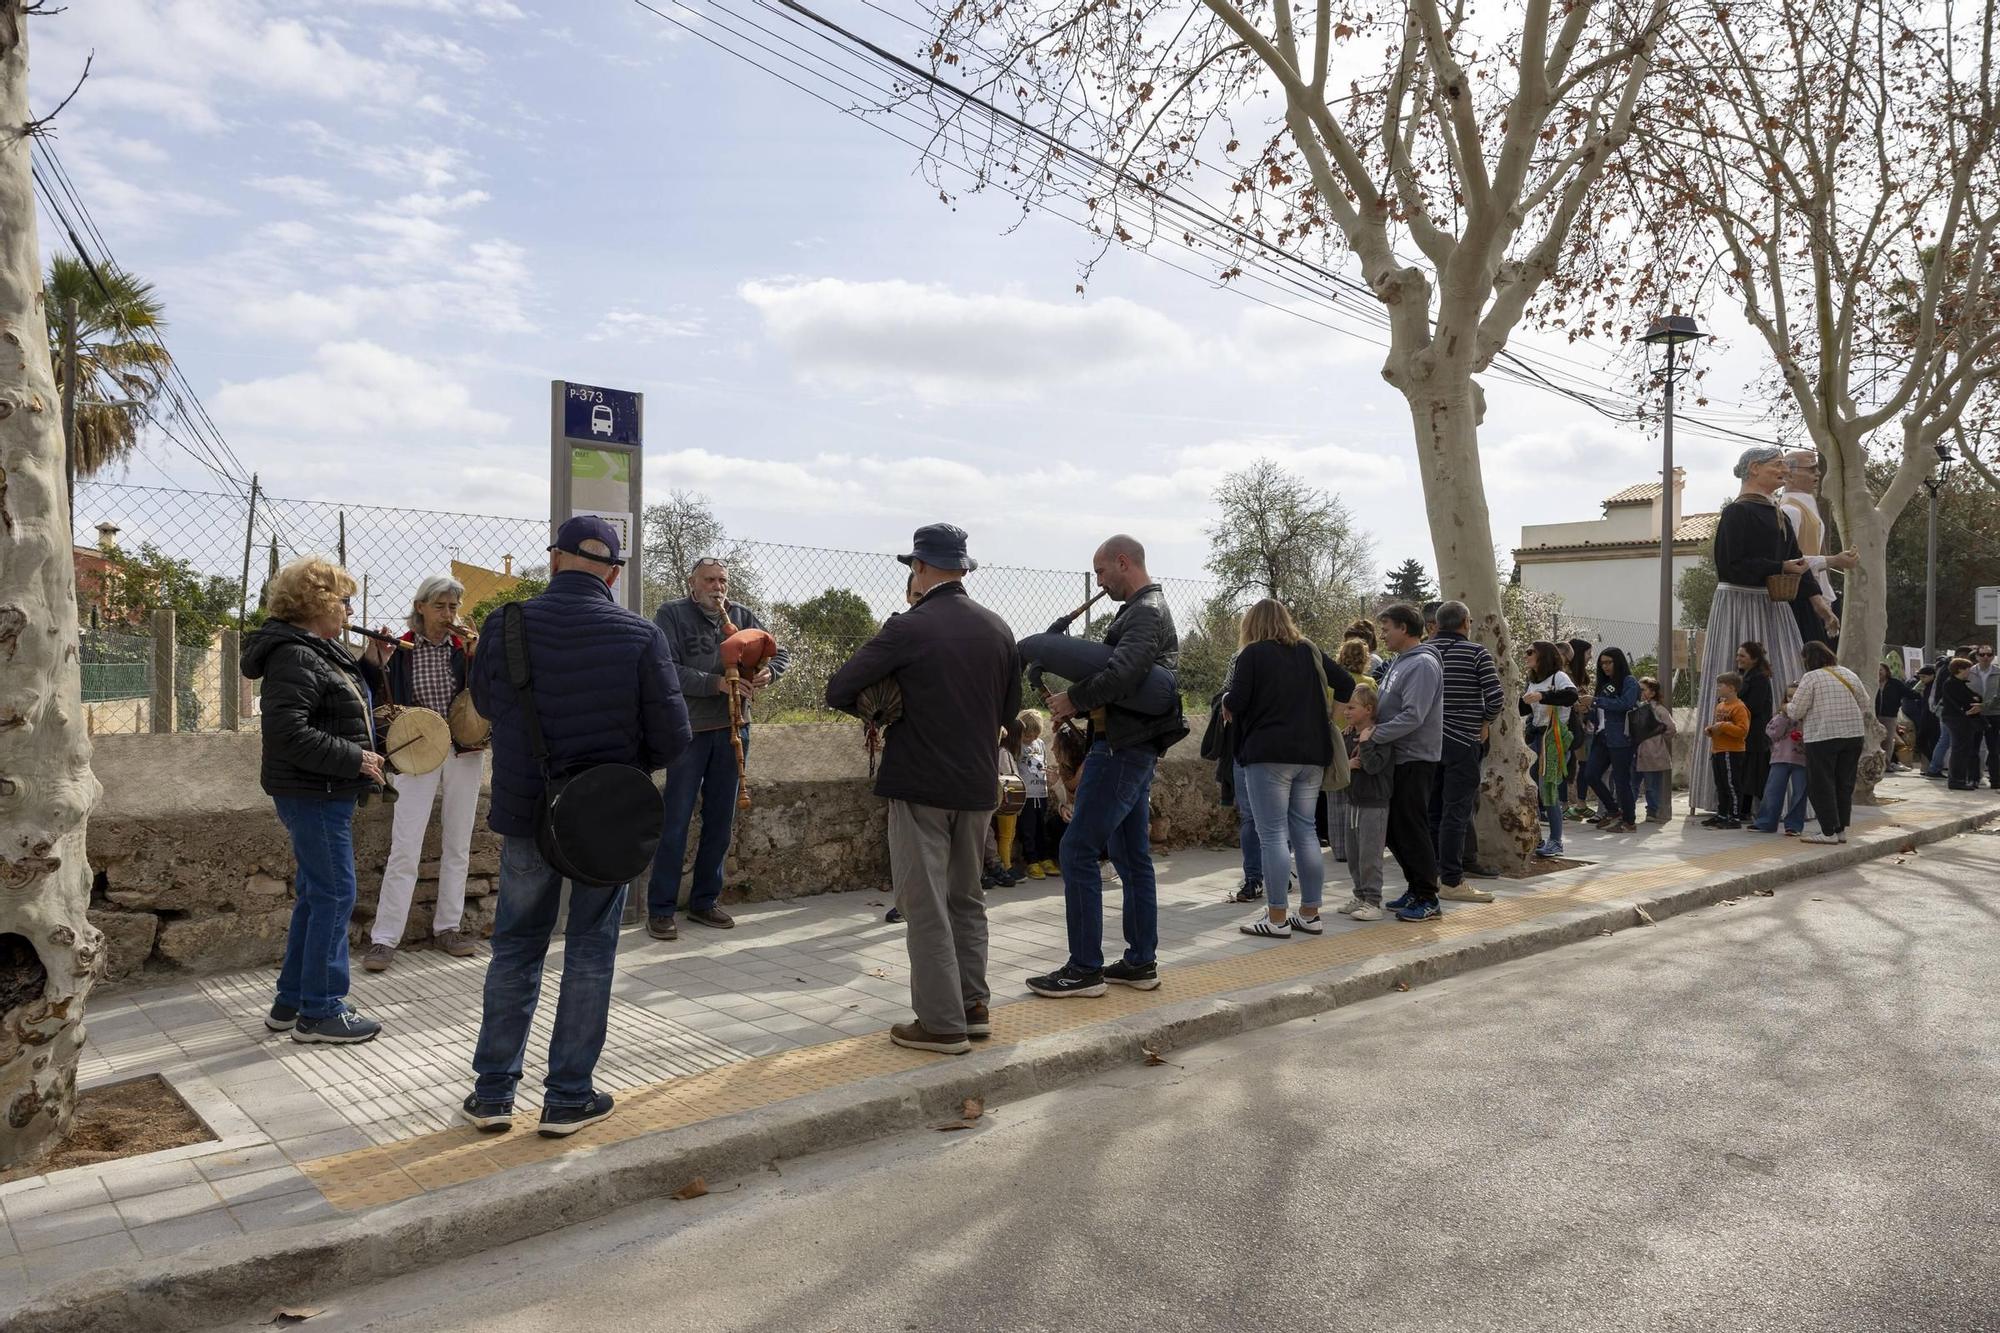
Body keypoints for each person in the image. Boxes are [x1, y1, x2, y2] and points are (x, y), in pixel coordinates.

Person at [461, 517, 691, 1137]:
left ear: (554, 561)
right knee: (591, 950)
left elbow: (485, 707)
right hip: (603, 823)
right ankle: (567, 1098)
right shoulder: (641, 635)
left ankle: (491, 1095)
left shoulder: (505, 625)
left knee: (515, 949)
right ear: (613, 573)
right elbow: (672, 738)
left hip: (525, 813)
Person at [827, 523, 1020, 1053]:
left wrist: (885, 711)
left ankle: (940, 1023)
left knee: (925, 904)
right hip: (978, 785)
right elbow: (1007, 715)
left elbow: (839, 688)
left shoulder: (908, 627)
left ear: (919, 567)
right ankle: (974, 1005)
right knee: (968, 898)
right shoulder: (999, 629)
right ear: (962, 568)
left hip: (919, 785)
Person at [1027, 535, 1188, 998]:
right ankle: (1140, 962)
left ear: (1123, 563)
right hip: (1128, 747)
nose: (1098, 581)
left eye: (1100, 572)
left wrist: (1074, 697)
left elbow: (1125, 674)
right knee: (1132, 857)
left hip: (1118, 751)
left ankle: (1084, 969)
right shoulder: (1141, 610)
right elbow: (1122, 678)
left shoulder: (1145, 611)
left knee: (1077, 851)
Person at [242, 556, 388, 1045]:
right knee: (334, 895)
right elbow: (288, 732)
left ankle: (291, 1002)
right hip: (316, 791)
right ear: (318, 602)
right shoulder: (296, 653)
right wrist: (355, 759)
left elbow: (333, 707)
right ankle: (322, 1011)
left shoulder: (311, 648)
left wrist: (371, 665)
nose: (351, 608)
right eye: (344, 599)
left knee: (316, 895)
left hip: (319, 789)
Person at [646, 557, 792, 941]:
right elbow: (666, 668)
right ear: (692, 583)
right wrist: (715, 685)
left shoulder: (743, 614)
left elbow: (780, 654)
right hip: (690, 732)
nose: (717, 587)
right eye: (709, 580)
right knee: (675, 820)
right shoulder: (672, 614)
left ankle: (704, 901)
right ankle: (660, 908)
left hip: (733, 730)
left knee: (721, 820)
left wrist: (768, 672)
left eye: (722, 580)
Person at [1689, 446, 1826, 815]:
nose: (1784, 469)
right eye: (1776, 464)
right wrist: (1780, 565)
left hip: (1774, 608)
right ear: (1753, 469)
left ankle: (1781, 795)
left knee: (1787, 686)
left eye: (1784, 463)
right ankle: (1726, 797)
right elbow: (1730, 566)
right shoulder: (1736, 512)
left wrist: (1818, 602)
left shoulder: (1778, 512)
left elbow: (1798, 561)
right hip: (1740, 605)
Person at [361, 574, 483, 972]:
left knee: (459, 843)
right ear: (421, 608)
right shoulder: (403, 648)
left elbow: (491, 691)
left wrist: (480, 655)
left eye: (453, 606)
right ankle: (384, 938)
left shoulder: (465, 649)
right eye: (440, 606)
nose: (448, 614)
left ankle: (448, 926)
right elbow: (374, 694)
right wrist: (374, 658)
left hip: (463, 750)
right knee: (405, 846)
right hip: (415, 751)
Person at [1221, 599, 1353, 940]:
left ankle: (1276, 916)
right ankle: (1310, 913)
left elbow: (1237, 701)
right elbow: (1346, 684)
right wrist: (1331, 720)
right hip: (1311, 754)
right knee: (1305, 832)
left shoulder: (1252, 654)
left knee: (1273, 835)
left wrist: (1224, 702)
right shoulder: (1308, 650)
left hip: (1268, 755)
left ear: (1251, 625)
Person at [1426, 601, 1504, 901]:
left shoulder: (1424, 652)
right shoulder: (1476, 653)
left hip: (1427, 743)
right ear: (1465, 623)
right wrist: (1484, 721)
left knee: (1432, 811)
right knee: (1456, 813)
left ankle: (1432, 872)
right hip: (1463, 742)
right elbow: (1496, 697)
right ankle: (1452, 880)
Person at [1372, 604, 1445, 923]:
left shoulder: (1423, 665)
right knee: (1393, 829)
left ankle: (1428, 897)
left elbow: (1414, 715)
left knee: (1411, 827)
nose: (1383, 634)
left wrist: (1376, 733)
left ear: (1404, 628)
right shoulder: (1400, 663)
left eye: (1387, 627)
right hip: (1396, 757)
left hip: (1415, 757)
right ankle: (1415, 887)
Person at [1786, 641, 1870, 843]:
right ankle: (1840, 830)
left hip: (1823, 736)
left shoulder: (1811, 677)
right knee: (1844, 783)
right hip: (1853, 735)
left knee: (1821, 784)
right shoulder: (1848, 673)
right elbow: (1865, 703)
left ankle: (1828, 832)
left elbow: (1797, 711)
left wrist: (1785, 707)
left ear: (1808, 659)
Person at [1776, 449, 1862, 647]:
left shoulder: (1804, 506)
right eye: (1811, 469)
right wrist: (1833, 560)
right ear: (1790, 473)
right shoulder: (1790, 510)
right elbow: (1788, 559)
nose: (1817, 474)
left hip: (1817, 594)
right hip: (1802, 598)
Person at [1338, 681, 1392, 921]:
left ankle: (1373, 900)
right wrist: (1346, 766)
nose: (1346, 712)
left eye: (1352, 708)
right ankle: (1360, 894)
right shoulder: (1347, 735)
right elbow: (1340, 764)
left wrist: (1366, 743)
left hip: (1374, 803)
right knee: (1354, 853)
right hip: (1354, 801)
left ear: (1369, 709)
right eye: (1346, 708)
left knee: (1370, 855)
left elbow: (1372, 767)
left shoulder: (1379, 736)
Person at [1521, 641, 1577, 857]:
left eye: (1530, 652)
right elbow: (1525, 708)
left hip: (1553, 740)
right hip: (1536, 738)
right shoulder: (1533, 681)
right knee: (1533, 789)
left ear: (1542, 656)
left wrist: (1543, 696)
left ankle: (1556, 841)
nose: (1526, 656)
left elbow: (1571, 697)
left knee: (1548, 788)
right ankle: (1538, 836)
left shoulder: (1558, 677)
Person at [1580, 647, 1642, 832]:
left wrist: (1596, 701)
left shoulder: (1628, 682)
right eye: (1602, 663)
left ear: (1618, 662)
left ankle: (1629, 821)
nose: (1605, 667)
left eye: (1609, 662)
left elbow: (1626, 703)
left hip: (1621, 738)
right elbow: (1600, 714)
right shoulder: (1604, 684)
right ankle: (1613, 810)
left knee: (1621, 780)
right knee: (1590, 774)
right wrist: (1586, 709)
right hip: (1602, 736)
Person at [1751, 687, 1810, 835]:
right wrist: (1784, 716)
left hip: (1802, 759)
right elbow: (1772, 733)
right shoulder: (1780, 716)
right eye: (1789, 696)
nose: (1792, 700)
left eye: (1796, 696)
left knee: (1800, 793)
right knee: (1773, 790)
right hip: (1780, 758)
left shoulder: (1810, 715)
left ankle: (1794, 826)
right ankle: (1766, 822)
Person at [1734, 642, 1776, 822]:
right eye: (1738, 655)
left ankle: (1763, 813)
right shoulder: (1746, 676)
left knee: (1756, 775)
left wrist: (1733, 707)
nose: (1738, 659)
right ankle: (1745, 811)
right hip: (1747, 734)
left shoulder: (1758, 678)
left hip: (1755, 735)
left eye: (1742, 656)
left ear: (1754, 659)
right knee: (1748, 774)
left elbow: (1756, 706)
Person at [1703, 672, 1750, 829]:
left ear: (1731, 688)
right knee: (1721, 784)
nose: (1718, 688)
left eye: (1720, 685)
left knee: (1732, 785)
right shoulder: (1720, 706)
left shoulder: (1739, 707)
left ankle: (1735, 817)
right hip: (1718, 750)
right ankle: (1722, 814)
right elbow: (1719, 726)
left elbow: (1742, 731)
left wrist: (1723, 726)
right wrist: (1711, 730)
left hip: (1732, 751)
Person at [1016, 710, 1057, 879]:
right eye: (1027, 735)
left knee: (1042, 827)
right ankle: (1031, 860)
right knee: (1028, 828)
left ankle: (1044, 858)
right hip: (1026, 795)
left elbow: (1044, 763)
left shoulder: (1039, 744)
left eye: (1035, 734)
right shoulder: (1017, 744)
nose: (1031, 738)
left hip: (1041, 793)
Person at [1632, 676, 1677, 823]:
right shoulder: (1635, 707)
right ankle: (1628, 810)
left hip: (1652, 754)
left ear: (1652, 692)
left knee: (1652, 785)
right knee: (1632, 784)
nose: (1639, 692)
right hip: (1636, 753)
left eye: (1643, 689)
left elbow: (1671, 729)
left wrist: (1657, 740)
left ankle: (1652, 811)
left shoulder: (1659, 710)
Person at [1936, 656, 1984, 791]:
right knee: (1959, 750)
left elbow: (1976, 697)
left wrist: (1975, 700)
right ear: (1960, 670)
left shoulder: (1959, 683)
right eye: (1967, 669)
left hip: (1961, 720)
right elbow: (1964, 700)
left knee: (1963, 750)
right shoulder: (1951, 684)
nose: (1969, 672)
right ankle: (1956, 780)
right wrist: (1969, 706)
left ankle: (1960, 779)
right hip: (1957, 720)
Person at [1972, 646, 2000, 788]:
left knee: (1994, 749)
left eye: (1989, 654)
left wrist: (1984, 706)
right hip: (1974, 715)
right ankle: (1974, 778)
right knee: (1974, 748)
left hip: (1994, 714)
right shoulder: (1970, 672)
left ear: (1993, 656)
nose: (1985, 657)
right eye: (1982, 654)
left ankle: (1995, 780)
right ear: (1976, 656)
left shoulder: (1998, 672)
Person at [1874, 664, 1909, 772]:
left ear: (1886, 671)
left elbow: (1908, 693)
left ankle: (1886, 764)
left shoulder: (1895, 683)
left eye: (1881, 670)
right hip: (1874, 715)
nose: (1879, 672)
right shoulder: (1872, 682)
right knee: (1875, 740)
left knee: (1888, 741)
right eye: (1877, 670)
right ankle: (1874, 764)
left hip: (1889, 716)